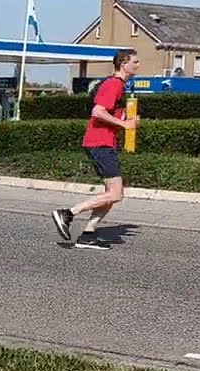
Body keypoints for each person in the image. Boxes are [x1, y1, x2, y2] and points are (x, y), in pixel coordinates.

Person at [51, 48, 141, 250]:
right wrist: (124, 124)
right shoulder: (113, 84)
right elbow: (98, 111)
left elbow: (107, 113)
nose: (138, 65)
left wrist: (124, 120)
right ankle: (68, 213)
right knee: (116, 194)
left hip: (104, 142)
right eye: (135, 62)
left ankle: (88, 234)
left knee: (110, 195)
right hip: (99, 143)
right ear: (123, 64)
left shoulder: (119, 85)